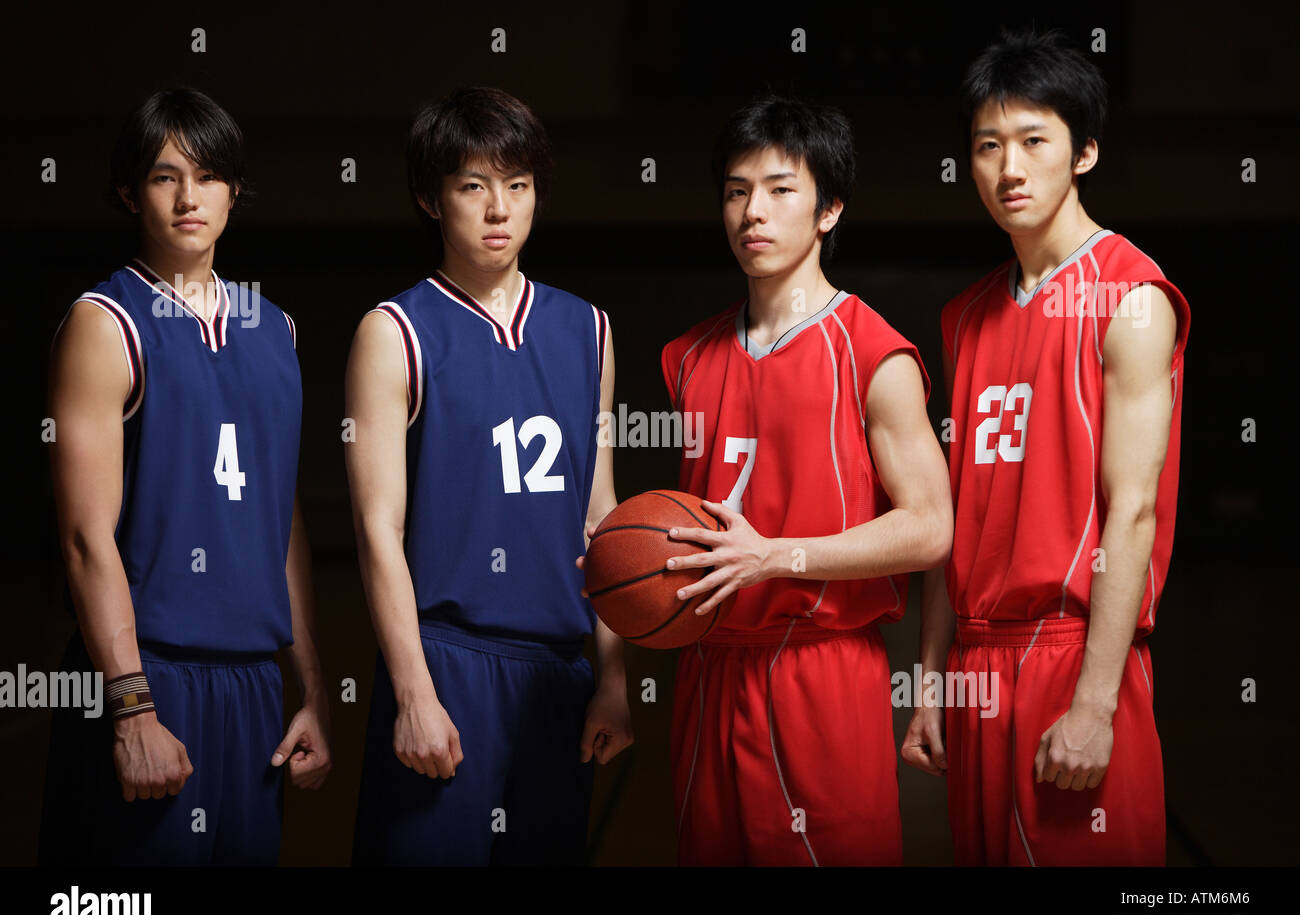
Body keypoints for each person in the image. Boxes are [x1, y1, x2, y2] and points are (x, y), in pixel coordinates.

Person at [901, 28, 1191, 866]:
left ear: (1085, 152)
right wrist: (933, 682)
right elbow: (945, 522)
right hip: (979, 659)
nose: (1009, 168)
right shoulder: (967, 316)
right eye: (988, 146)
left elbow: (1131, 509)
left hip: (1075, 658)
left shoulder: (1131, 298)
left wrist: (1096, 703)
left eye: (1034, 141)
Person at [658, 94, 952, 865]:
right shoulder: (685, 359)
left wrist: (777, 556)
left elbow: (930, 526)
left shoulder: (874, 353)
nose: (753, 211)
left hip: (823, 671)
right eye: (735, 189)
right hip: (708, 670)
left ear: (829, 210)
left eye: (781, 189)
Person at [40, 88, 331, 866]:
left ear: (236, 190)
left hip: (253, 690)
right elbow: (82, 537)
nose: (189, 196)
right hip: (152, 676)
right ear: (132, 193)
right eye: (166, 177)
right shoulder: (106, 324)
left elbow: (282, 520)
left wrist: (313, 690)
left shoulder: (277, 328)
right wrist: (131, 711)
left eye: (208, 175)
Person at [347, 87, 632, 865]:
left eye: (518, 184)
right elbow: (379, 529)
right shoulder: (394, 330)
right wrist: (412, 693)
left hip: (557, 678)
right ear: (429, 198)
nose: (498, 208)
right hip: (447, 664)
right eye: (473, 186)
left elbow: (598, 515)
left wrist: (612, 674)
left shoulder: (588, 328)